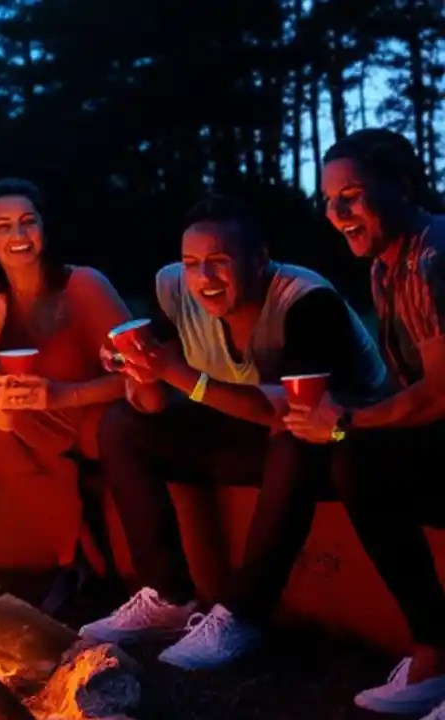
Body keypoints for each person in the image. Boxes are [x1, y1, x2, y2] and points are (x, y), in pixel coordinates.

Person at [79, 195, 387, 671]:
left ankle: (243, 614)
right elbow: (153, 402)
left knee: (294, 436)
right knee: (122, 425)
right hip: (250, 436)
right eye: (192, 263)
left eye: (219, 261)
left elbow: (297, 412)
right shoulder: (174, 288)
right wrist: (134, 364)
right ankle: (167, 596)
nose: (204, 277)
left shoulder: (306, 301)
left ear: (259, 259)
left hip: (346, 441)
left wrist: (180, 375)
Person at [285, 128, 445, 717]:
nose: (337, 213)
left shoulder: (434, 255)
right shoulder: (384, 267)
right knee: (351, 457)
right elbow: (407, 392)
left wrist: (347, 420)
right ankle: (434, 647)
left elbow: (439, 395)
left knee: (359, 455)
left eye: (351, 196)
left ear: (402, 186)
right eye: (329, 201)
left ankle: (435, 650)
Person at [0, 178, 130, 596]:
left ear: (44, 228)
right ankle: (73, 553)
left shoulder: (83, 286)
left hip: (87, 409)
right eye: (3, 227)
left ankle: (75, 558)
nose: (18, 235)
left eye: (27, 222)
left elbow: (139, 375)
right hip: (29, 418)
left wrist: (61, 394)